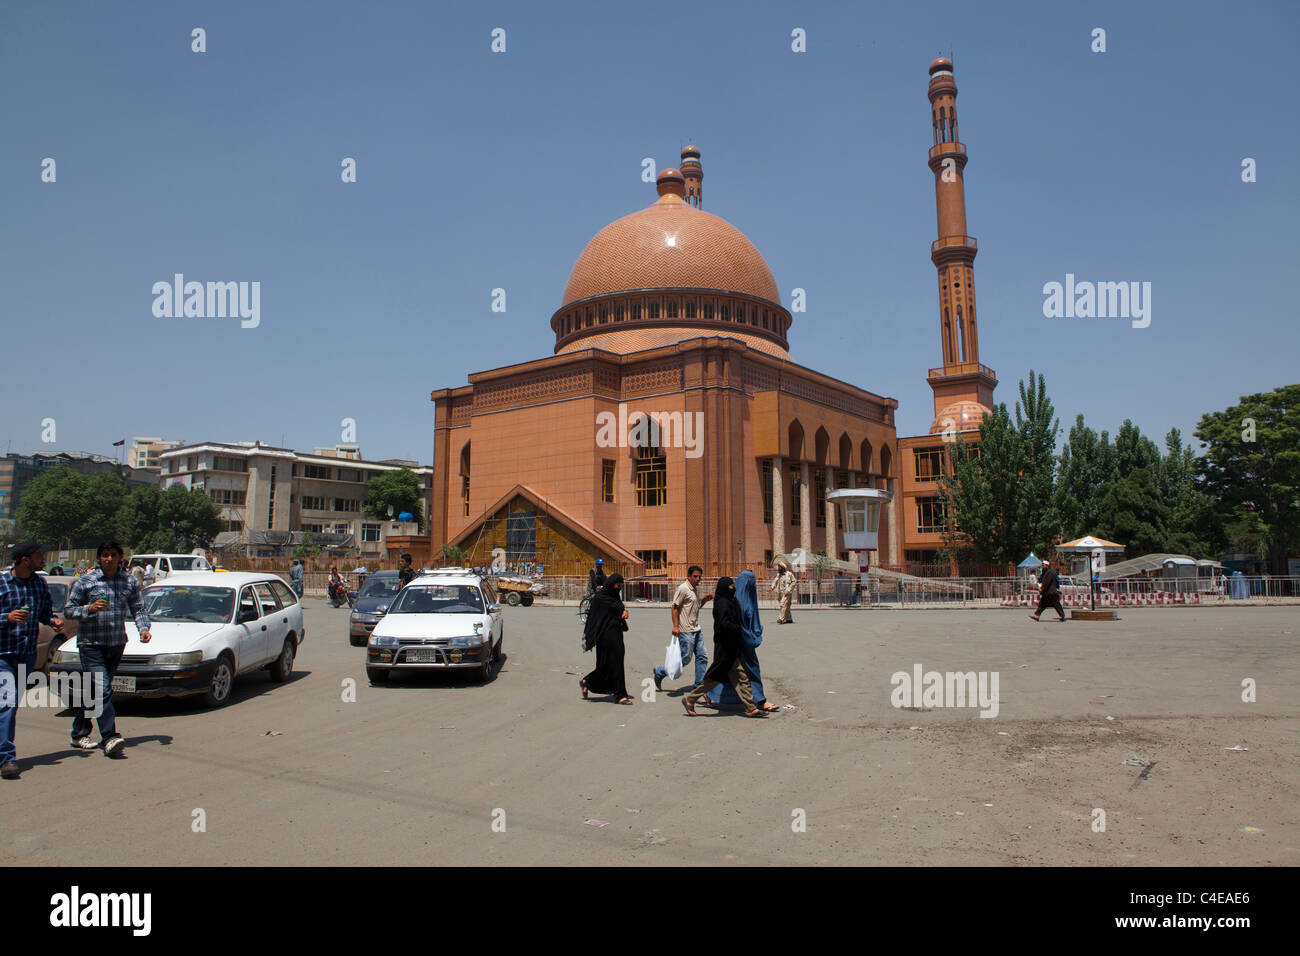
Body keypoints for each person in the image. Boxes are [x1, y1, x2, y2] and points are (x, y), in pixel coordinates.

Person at [61, 541, 152, 757]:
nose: (108, 559)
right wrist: (89, 609)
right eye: (104, 555)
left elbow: (138, 608)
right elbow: (68, 610)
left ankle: (79, 733)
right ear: (99, 558)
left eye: (112, 555)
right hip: (90, 645)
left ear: (120, 558)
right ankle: (110, 736)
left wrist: (144, 629)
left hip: (115, 643)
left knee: (96, 691)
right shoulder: (86, 581)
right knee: (102, 689)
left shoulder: (129, 581)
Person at [0, 543, 64, 779]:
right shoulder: (2, 583)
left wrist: (52, 621)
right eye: (40, 557)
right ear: (25, 560)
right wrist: (6, 617)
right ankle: (7, 758)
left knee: (10, 705)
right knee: (6, 703)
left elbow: (44, 612)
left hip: (26, 655)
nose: (43, 560)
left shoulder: (39, 583)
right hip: (3, 655)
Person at [683, 577, 765, 718]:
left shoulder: (729, 602)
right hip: (726, 649)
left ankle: (750, 707)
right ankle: (690, 699)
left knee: (740, 677)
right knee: (716, 679)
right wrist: (739, 629)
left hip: (732, 648)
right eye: (731, 586)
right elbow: (724, 624)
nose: (733, 588)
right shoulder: (722, 604)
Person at [705, 569, 779, 712]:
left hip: (742, 639)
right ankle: (760, 701)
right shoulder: (732, 600)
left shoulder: (741, 597)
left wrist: (755, 631)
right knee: (750, 669)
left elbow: (752, 617)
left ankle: (709, 693)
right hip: (738, 640)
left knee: (727, 672)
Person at [652, 565, 711, 691]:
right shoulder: (683, 588)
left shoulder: (694, 589)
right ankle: (660, 671)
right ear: (688, 576)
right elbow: (674, 607)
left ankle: (699, 685)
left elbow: (696, 606)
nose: (698, 579)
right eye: (695, 576)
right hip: (685, 631)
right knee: (684, 658)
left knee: (702, 656)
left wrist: (705, 600)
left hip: (696, 629)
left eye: (700, 576)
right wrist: (675, 626)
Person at [579, 574, 632, 704]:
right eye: (617, 585)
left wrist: (624, 612)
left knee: (608, 665)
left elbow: (619, 608)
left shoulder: (614, 596)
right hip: (605, 635)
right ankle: (620, 695)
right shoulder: (600, 598)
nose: (618, 588)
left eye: (620, 586)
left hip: (616, 632)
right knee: (616, 663)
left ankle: (587, 681)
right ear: (610, 584)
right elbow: (593, 620)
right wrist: (591, 640)